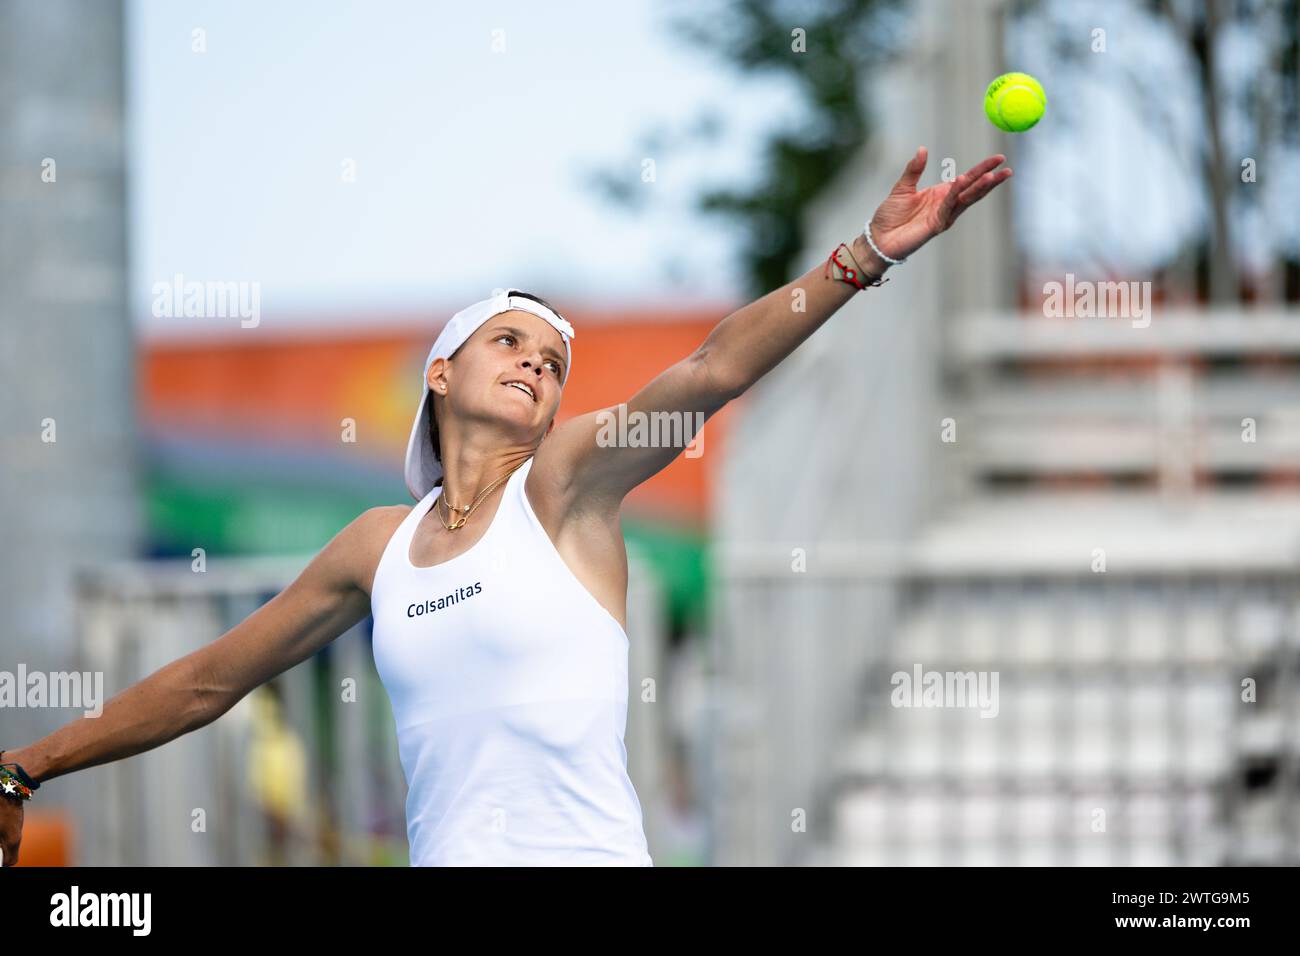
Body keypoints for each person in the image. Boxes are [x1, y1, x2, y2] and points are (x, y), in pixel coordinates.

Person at [0, 147, 1011, 866]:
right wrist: (27, 767)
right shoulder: (375, 544)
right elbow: (201, 683)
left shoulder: (565, 483)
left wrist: (861, 259)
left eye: (555, 360)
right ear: (440, 371)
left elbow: (708, 370)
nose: (539, 360)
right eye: (511, 342)